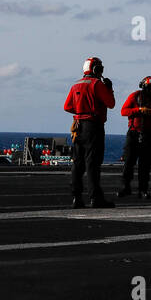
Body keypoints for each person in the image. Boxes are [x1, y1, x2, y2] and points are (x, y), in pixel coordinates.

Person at [63, 56, 115, 208]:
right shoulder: (97, 84)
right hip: (93, 126)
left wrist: (80, 111)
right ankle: (95, 198)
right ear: (95, 69)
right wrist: (109, 88)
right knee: (92, 163)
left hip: (78, 126)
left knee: (78, 163)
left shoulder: (76, 85)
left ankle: (76, 198)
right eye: (100, 69)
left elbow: (67, 106)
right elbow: (111, 104)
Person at [119, 76, 151, 199]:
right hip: (133, 133)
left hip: (148, 134)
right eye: (149, 88)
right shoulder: (135, 96)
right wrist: (139, 110)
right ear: (143, 86)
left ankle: (142, 190)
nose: (150, 90)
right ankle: (125, 187)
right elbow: (123, 111)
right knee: (128, 162)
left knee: (145, 165)